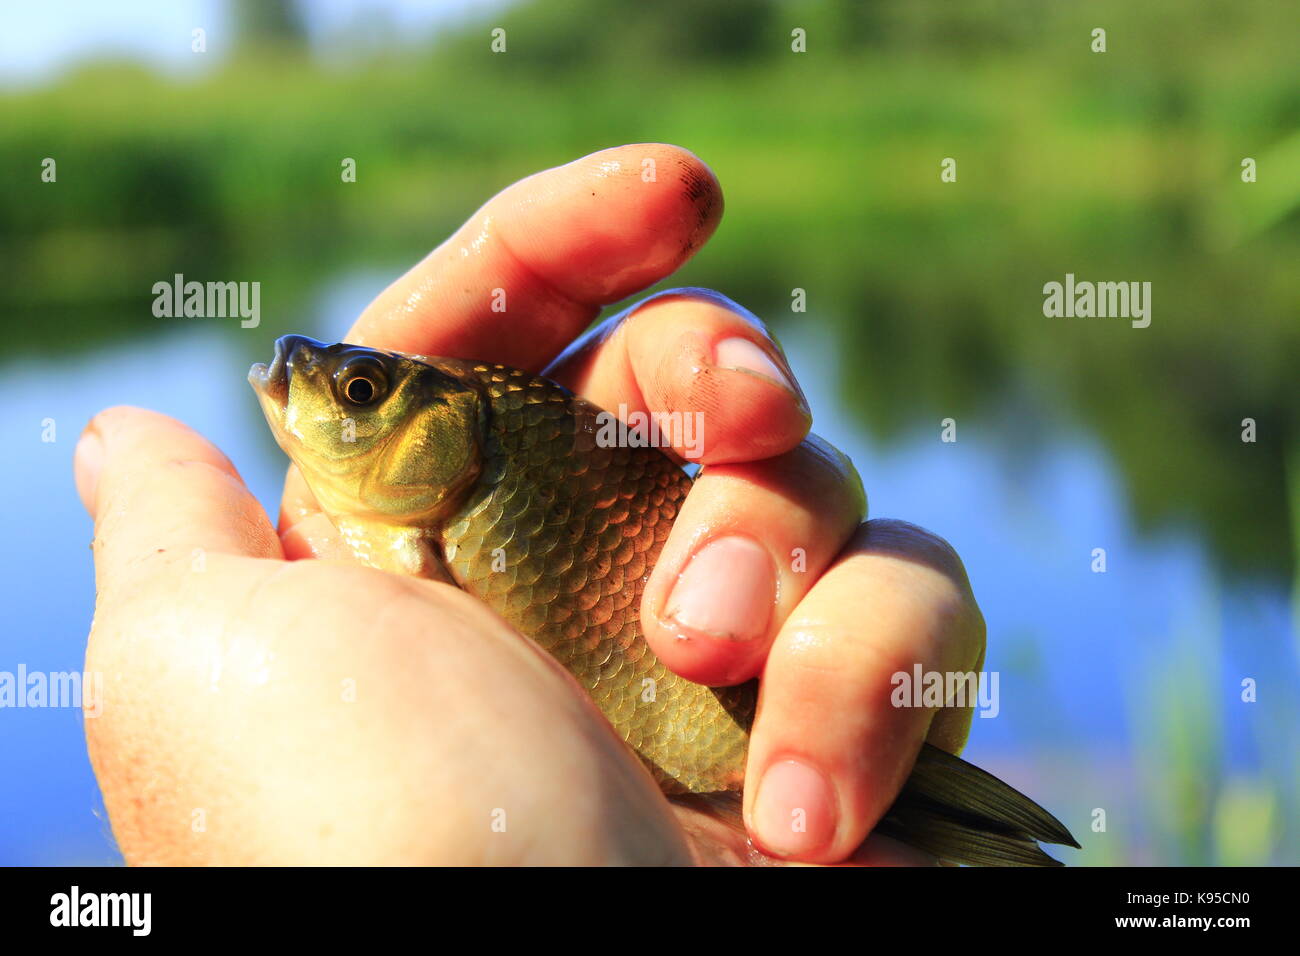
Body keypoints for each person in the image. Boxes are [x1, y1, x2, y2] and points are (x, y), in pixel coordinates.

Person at [74, 144, 985, 865]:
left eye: (359, 393)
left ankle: (915, 800)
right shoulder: (341, 573)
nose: (320, 388)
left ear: (451, 443)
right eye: (363, 389)